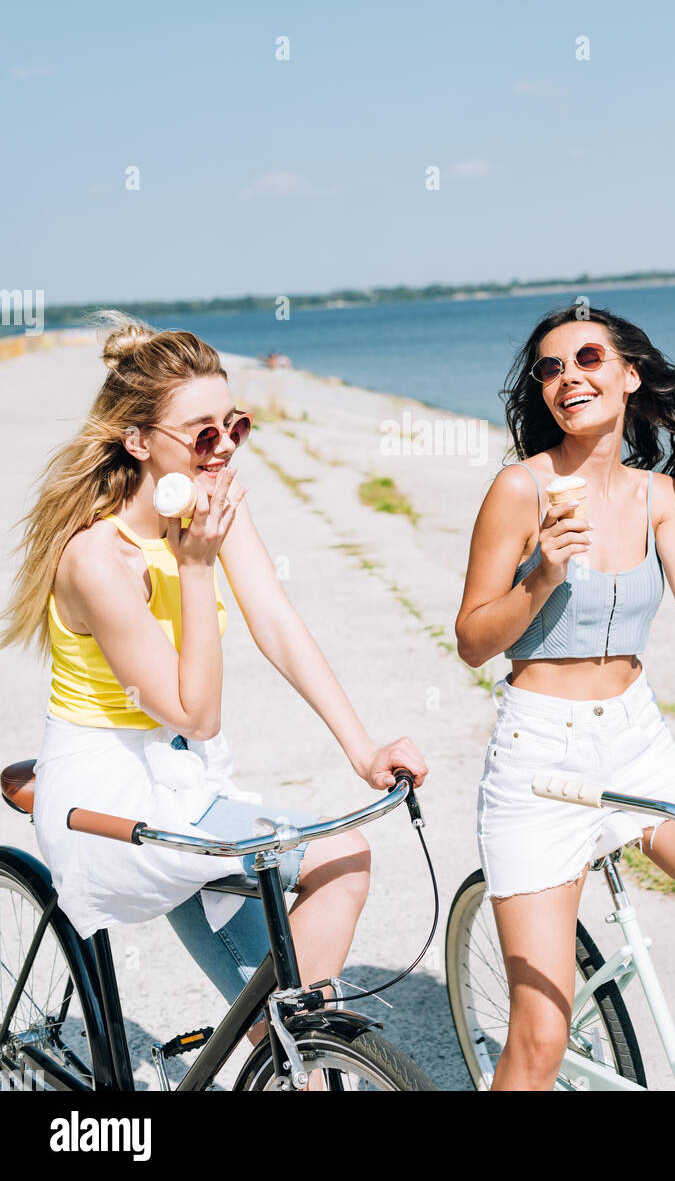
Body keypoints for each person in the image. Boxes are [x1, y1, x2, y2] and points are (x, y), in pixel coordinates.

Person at [0, 311, 427, 1053]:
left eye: (236, 425)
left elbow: (278, 625)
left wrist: (361, 750)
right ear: (137, 442)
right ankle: (293, 1049)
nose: (224, 447)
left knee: (294, 995)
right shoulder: (98, 560)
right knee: (336, 860)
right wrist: (196, 567)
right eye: (202, 434)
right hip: (111, 797)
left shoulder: (211, 506)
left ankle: (292, 1049)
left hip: (184, 782)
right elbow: (196, 713)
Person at [455, 304, 675, 1092]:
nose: (566, 379)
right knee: (540, 1036)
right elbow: (473, 639)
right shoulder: (519, 489)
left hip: (635, 745)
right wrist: (543, 575)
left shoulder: (657, 494)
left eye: (587, 359)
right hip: (539, 760)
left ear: (629, 375)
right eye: (549, 369)